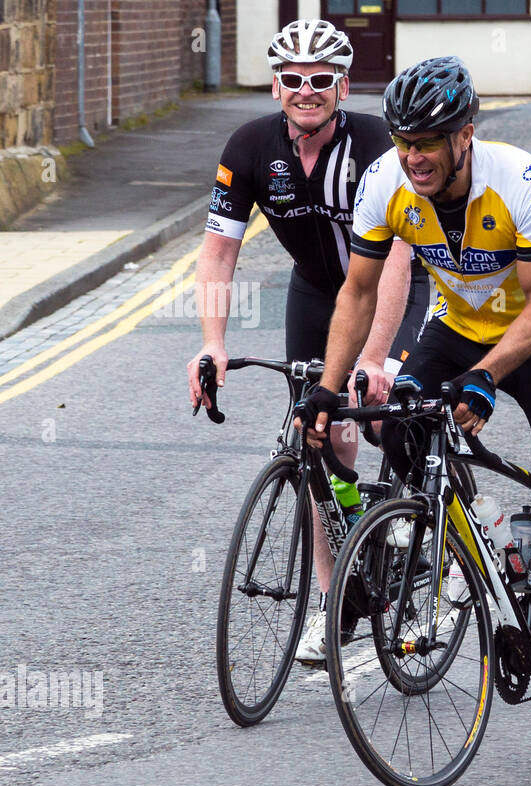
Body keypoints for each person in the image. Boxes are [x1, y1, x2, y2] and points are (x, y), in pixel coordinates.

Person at [297, 56, 531, 735]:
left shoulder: (521, 181)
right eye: (403, 141)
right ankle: (469, 541)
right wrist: (328, 388)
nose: (414, 157)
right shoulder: (386, 183)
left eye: (429, 141)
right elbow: (357, 291)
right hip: (455, 325)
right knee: (399, 422)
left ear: (464, 134)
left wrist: (487, 377)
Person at [185, 19, 430, 665]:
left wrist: (373, 358)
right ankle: (337, 602)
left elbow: (398, 260)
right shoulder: (249, 147)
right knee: (319, 437)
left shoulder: (377, 144)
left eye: (320, 80)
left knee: (383, 416)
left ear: (342, 86)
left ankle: (421, 527)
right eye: (293, 80)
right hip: (316, 292)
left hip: (393, 289)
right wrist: (213, 344)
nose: (306, 91)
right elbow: (217, 253)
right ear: (275, 86)